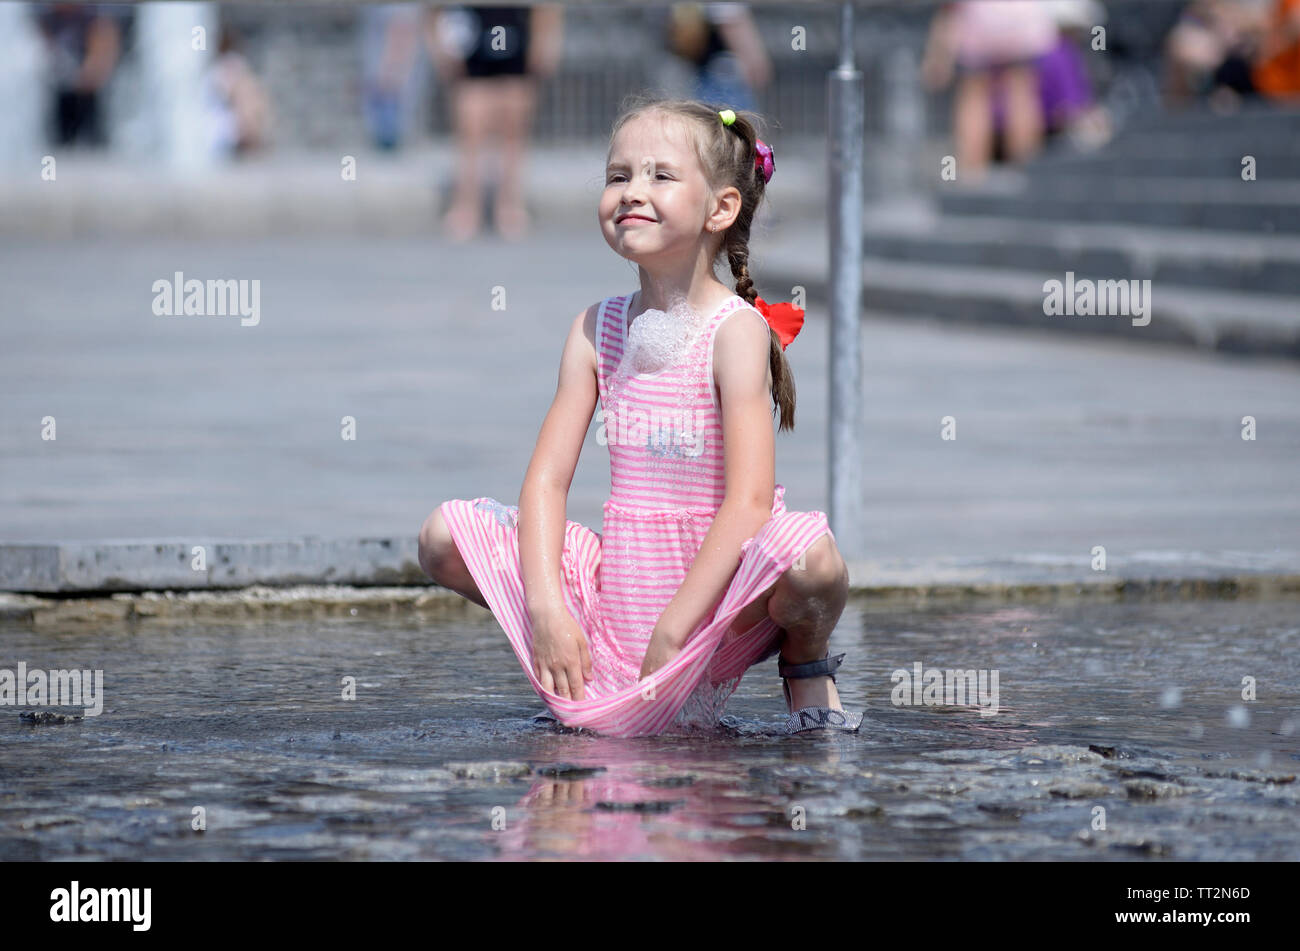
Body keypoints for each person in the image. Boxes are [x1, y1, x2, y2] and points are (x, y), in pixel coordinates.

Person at [418, 99, 859, 737]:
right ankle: (583, 657)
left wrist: (676, 626)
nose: (632, 192)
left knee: (813, 563)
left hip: (716, 605)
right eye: (618, 176)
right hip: (619, 590)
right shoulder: (596, 329)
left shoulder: (734, 331)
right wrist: (547, 610)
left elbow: (751, 501)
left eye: (660, 176)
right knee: (442, 537)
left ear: (721, 208)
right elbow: (546, 483)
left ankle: (803, 653)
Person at [424, 4, 564, 242]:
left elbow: (547, 10)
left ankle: (509, 206)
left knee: (514, 135)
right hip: (473, 50)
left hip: (516, 46)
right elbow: (433, 10)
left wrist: (545, 44)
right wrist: (439, 48)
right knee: (470, 135)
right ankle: (467, 206)